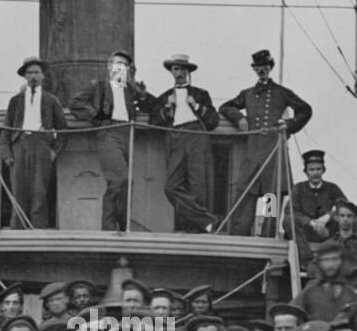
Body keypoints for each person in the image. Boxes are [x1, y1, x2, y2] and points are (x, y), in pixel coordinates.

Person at [218, 49, 313, 236]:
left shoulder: (282, 93)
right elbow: (226, 106)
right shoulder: (247, 94)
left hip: (273, 154)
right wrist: (240, 119)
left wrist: (289, 125)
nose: (262, 70)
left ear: (270, 68)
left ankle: (267, 235)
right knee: (246, 194)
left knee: (271, 196)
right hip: (253, 153)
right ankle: (240, 237)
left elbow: (305, 110)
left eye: (265, 66)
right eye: (258, 67)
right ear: (254, 69)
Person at [69, 50, 159, 231]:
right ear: (109, 67)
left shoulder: (130, 91)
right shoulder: (98, 87)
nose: (121, 68)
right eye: (117, 64)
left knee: (126, 182)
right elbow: (75, 103)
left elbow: (153, 108)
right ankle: (109, 227)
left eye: (124, 65)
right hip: (108, 133)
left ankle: (122, 226)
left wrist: (143, 95)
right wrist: (95, 114)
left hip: (128, 134)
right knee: (120, 179)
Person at [150, 53, 220, 232]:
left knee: (198, 185)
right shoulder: (165, 96)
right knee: (171, 186)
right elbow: (153, 122)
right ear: (172, 72)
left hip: (196, 136)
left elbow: (213, 121)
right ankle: (206, 221)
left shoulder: (201, 94)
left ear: (188, 71)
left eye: (183, 69)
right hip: (177, 138)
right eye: (176, 68)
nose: (179, 72)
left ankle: (268, 227)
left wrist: (196, 106)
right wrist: (167, 108)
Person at [0, 56, 67, 229]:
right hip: (19, 146)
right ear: (24, 76)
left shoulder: (51, 100)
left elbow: (63, 129)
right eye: (29, 73)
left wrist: (54, 152)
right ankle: (17, 236)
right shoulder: (15, 101)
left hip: (42, 146)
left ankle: (39, 234)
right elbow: (6, 129)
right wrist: (7, 154)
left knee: (39, 193)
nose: (33, 76)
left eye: (36, 72)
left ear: (43, 75)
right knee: (19, 193)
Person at [284, 149, 348, 269]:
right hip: (305, 234)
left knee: (346, 219)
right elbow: (290, 210)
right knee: (289, 220)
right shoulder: (298, 188)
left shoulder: (332, 188)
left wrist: (328, 216)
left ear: (323, 170)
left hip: (326, 234)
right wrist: (311, 223)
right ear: (306, 172)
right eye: (311, 170)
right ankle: (307, 262)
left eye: (318, 169)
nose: (315, 173)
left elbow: (345, 205)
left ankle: (342, 261)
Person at [292, 239, 357, 324]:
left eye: (334, 259)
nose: (330, 265)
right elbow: (292, 314)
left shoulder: (352, 291)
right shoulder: (310, 290)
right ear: (319, 262)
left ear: (341, 260)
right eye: (326, 260)